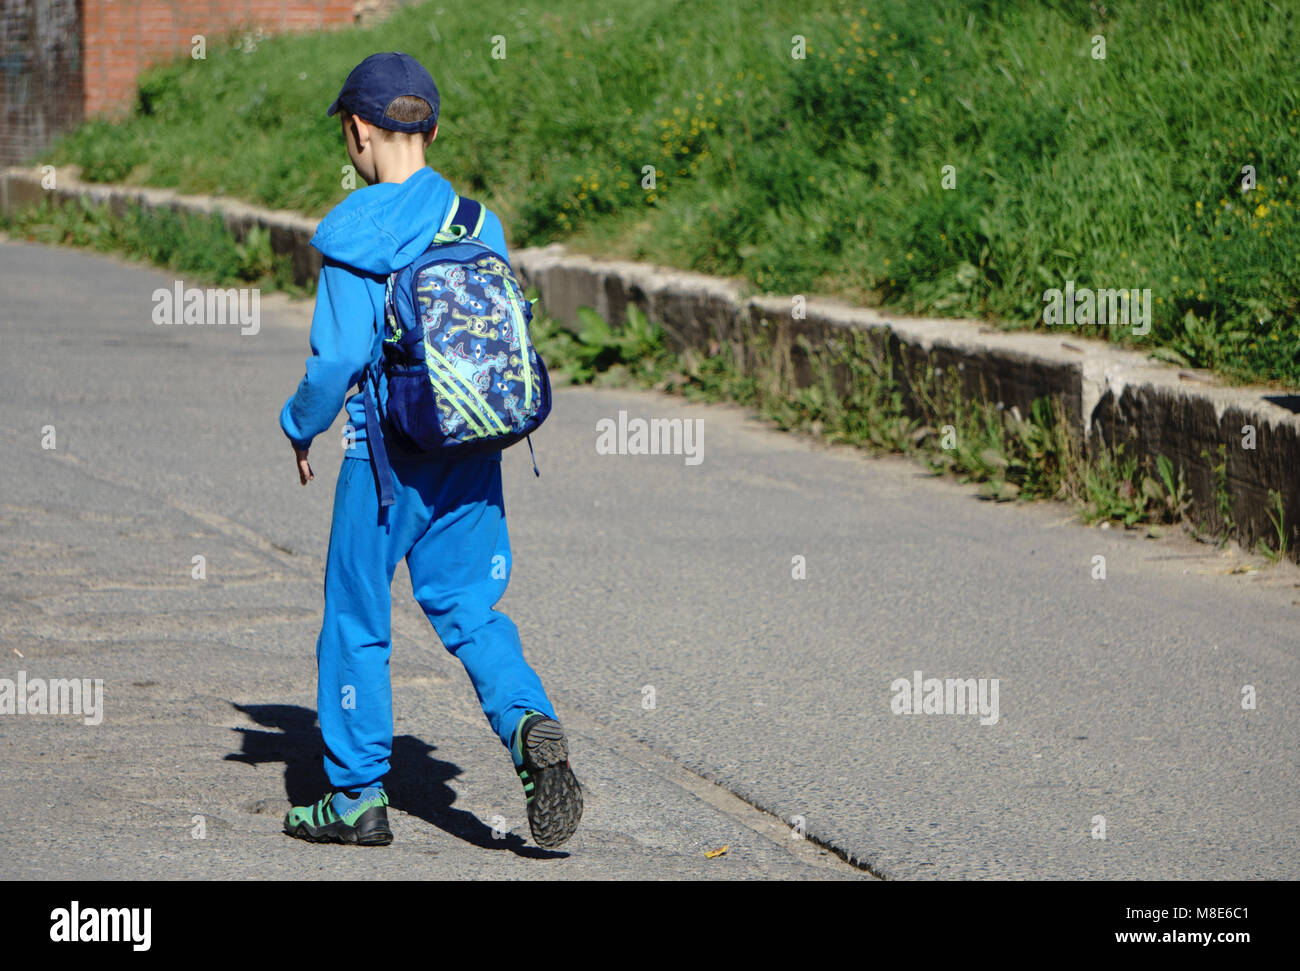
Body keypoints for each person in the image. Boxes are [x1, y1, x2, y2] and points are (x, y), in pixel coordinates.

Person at [277, 52, 581, 849]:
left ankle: (353, 796)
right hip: (475, 446)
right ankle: (526, 723)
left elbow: (337, 362)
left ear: (356, 132)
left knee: (356, 612)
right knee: (472, 607)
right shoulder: (483, 224)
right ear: (433, 130)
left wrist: (297, 423)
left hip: (387, 460)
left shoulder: (355, 234)